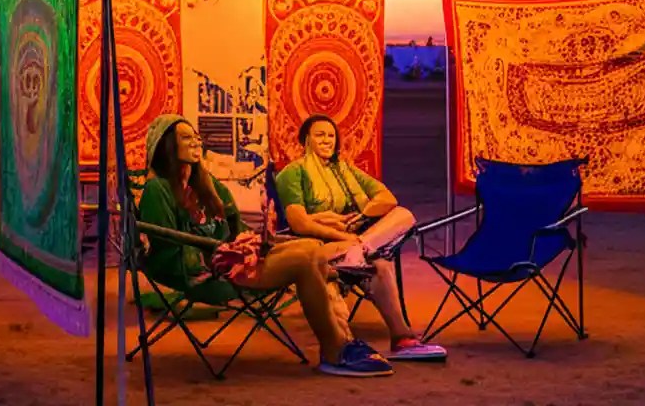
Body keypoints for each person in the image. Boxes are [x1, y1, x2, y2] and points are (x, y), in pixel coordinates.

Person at [136, 114, 393, 377]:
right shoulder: (158, 189)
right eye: (186, 137)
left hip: (235, 259)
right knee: (303, 262)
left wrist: (261, 242)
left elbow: (238, 229)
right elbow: (165, 245)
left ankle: (342, 337)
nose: (196, 141)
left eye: (196, 136)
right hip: (208, 273)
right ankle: (334, 351)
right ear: (167, 145)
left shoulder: (207, 185)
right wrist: (219, 254)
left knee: (312, 248)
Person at [276, 114, 448, 362]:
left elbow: (387, 199)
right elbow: (299, 222)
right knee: (379, 264)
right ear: (306, 140)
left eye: (331, 135)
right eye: (320, 135)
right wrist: (338, 233)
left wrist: (359, 219)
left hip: (356, 241)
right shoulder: (292, 173)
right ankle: (361, 253)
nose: (327, 140)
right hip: (320, 246)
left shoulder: (344, 170)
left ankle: (402, 340)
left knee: (402, 216)